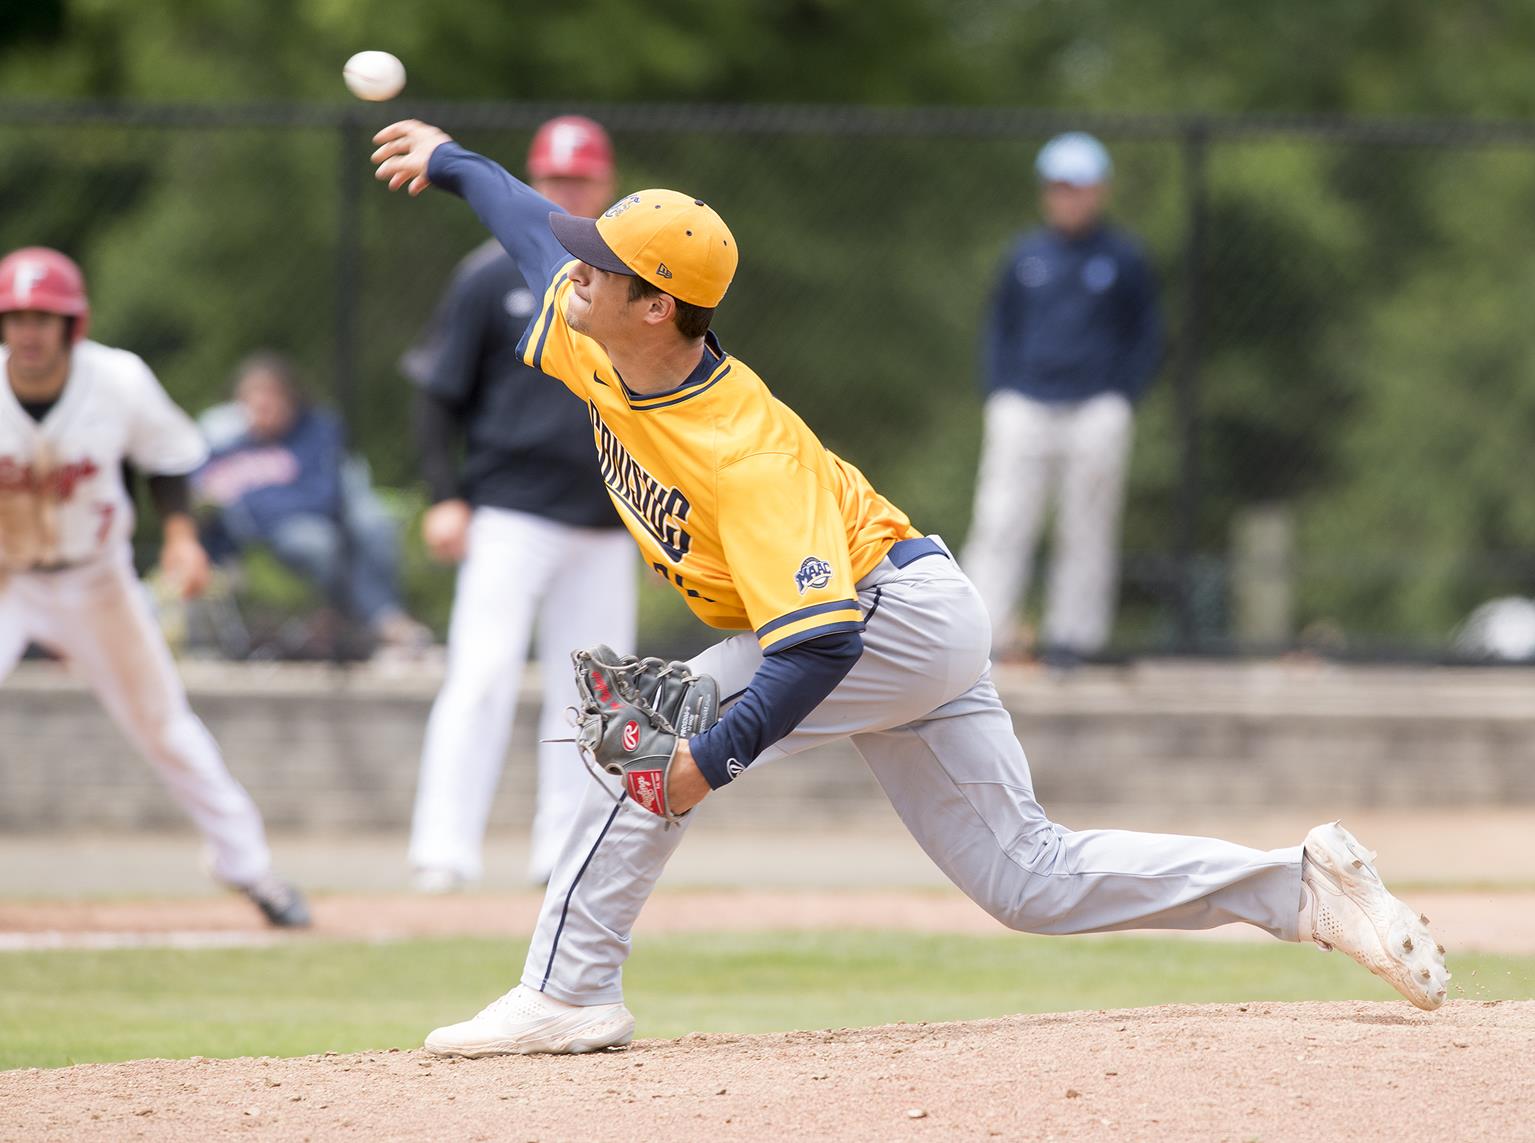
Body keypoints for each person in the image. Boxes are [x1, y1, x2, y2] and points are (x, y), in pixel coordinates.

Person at [369, 120, 1448, 1057]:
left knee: (655, 738)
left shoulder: (744, 453)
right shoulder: (592, 325)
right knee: (1030, 882)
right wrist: (451, 159)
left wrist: (710, 758)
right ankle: (1300, 885)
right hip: (913, 608)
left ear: (658, 307)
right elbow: (521, 222)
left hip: (887, 617)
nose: (573, 268)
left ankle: (567, 993)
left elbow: (820, 646)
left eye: (600, 264)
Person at [0, 247, 309, 927]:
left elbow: (170, 458)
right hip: (7, 579)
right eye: (15, 315)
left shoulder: (117, 380)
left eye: (41, 317)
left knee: (165, 724)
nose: (27, 330)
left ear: (70, 324)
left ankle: (249, 868)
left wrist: (180, 535)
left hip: (96, 578)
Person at [405, 117, 638, 893]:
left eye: (581, 180)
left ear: (604, 185)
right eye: (555, 180)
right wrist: (445, 495)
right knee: (481, 674)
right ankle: (444, 850)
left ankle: (564, 854)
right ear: (536, 184)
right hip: (511, 511)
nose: (568, 192)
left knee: (596, 693)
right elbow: (440, 392)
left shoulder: (635, 280)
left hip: (608, 519)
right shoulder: (490, 272)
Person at [961, 132, 1164, 667]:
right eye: (1059, 186)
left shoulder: (1124, 259)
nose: (1069, 197)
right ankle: (982, 640)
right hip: (1024, 404)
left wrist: (1122, 393)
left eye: (1079, 186)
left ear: (1099, 190)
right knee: (1002, 521)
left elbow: (1145, 333)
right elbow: (999, 327)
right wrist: (1001, 391)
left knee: (1087, 526)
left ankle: (1074, 640)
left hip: (1095, 406)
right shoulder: (1024, 256)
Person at [194, 352, 431, 655]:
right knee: (318, 543)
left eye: (271, 398)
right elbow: (217, 496)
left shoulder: (317, 431)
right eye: (253, 400)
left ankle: (371, 623)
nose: (263, 408)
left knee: (374, 526)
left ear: (290, 399)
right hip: (281, 529)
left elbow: (326, 490)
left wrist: (276, 497)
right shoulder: (229, 445)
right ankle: (386, 624)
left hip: (328, 511)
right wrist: (280, 499)